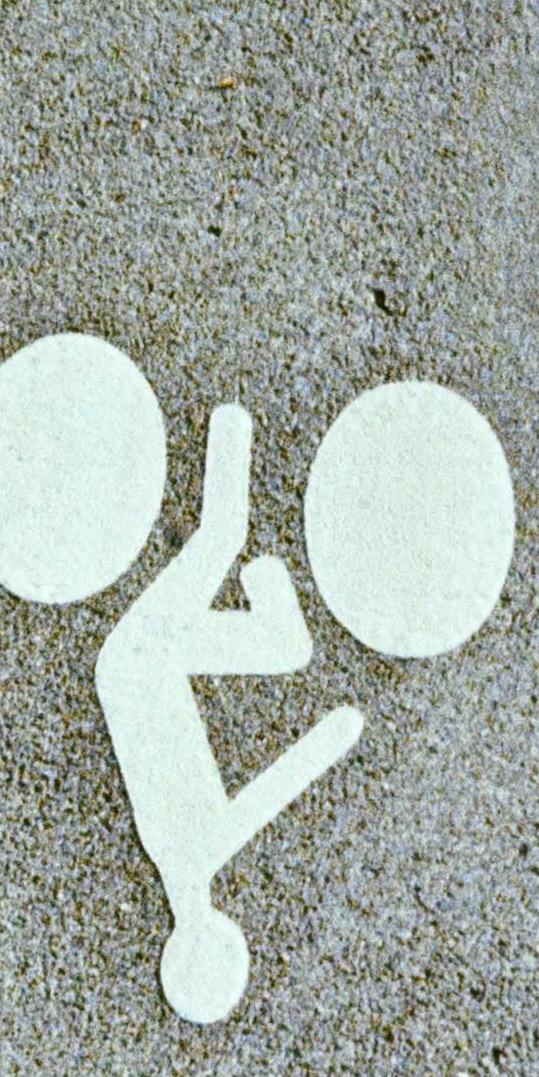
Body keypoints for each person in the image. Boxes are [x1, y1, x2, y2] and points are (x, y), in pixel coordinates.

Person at [96, 401, 362, 1023]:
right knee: (270, 619)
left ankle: (233, 421)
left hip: (141, 660)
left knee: (225, 544)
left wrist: (339, 732)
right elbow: (281, 781)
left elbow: (284, 779)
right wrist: (336, 732)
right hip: (135, 665)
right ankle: (234, 428)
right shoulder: (177, 856)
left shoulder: (194, 852)